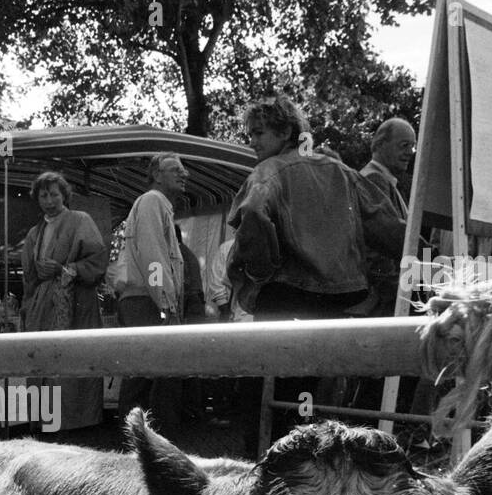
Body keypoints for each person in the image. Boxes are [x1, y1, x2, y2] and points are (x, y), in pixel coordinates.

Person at [228, 95, 405, 451]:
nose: (252, 142)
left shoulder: (268, 172)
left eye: (259, 133)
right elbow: (390, 228)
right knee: (312, 394)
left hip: (283, 298)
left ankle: (268, 466)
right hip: (338, 301)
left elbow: (253, 216)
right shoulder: (342, 172)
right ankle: (308, 465)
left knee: (269, 394)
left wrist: (258, 273)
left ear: (285, 132)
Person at [20, 171, 109, 434]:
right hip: (42, 305)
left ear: (64, 195)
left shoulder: (81, 220)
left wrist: (63, 269)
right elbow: (28, 277)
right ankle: (44, 421)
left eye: (54, 194)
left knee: (73, 361)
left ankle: (77, 423)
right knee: (43, 360)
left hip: (77, 302)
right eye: (43, 195)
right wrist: (39, 276)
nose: (49, 200)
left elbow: (98, 260)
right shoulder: (35, 233)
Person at [115, 153, 187, 426]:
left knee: (143, 373)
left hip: (146, 300)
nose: (185, 174)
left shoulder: (158, 205)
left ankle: (137, 441)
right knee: (145, 373)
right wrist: (165, 304)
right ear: (156, 175)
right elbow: (153, 256)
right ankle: (138, 442)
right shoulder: (152, 201)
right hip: (147, 301)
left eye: (183, 170)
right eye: (175, 170)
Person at [356, 118, 415, 318]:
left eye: (413, 146)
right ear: (380, 144)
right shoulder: (373, 178)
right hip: (382, 300)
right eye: (404, 145)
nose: (410, 152)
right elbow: (385, 240)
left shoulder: (386, 181)